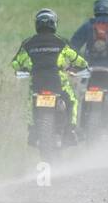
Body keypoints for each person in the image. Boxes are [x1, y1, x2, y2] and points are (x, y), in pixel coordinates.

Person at [10, 8, 87, 146]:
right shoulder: (61, 42)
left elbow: (15, 63)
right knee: (73, 101)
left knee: (30, 102)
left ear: (37, 24)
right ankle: (70, 131)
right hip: (58, 81)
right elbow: (79, 60)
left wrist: (25, 68)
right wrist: (79, 67)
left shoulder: (27, 43)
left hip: (37, 82)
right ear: (54, 24)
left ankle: (32, 132)